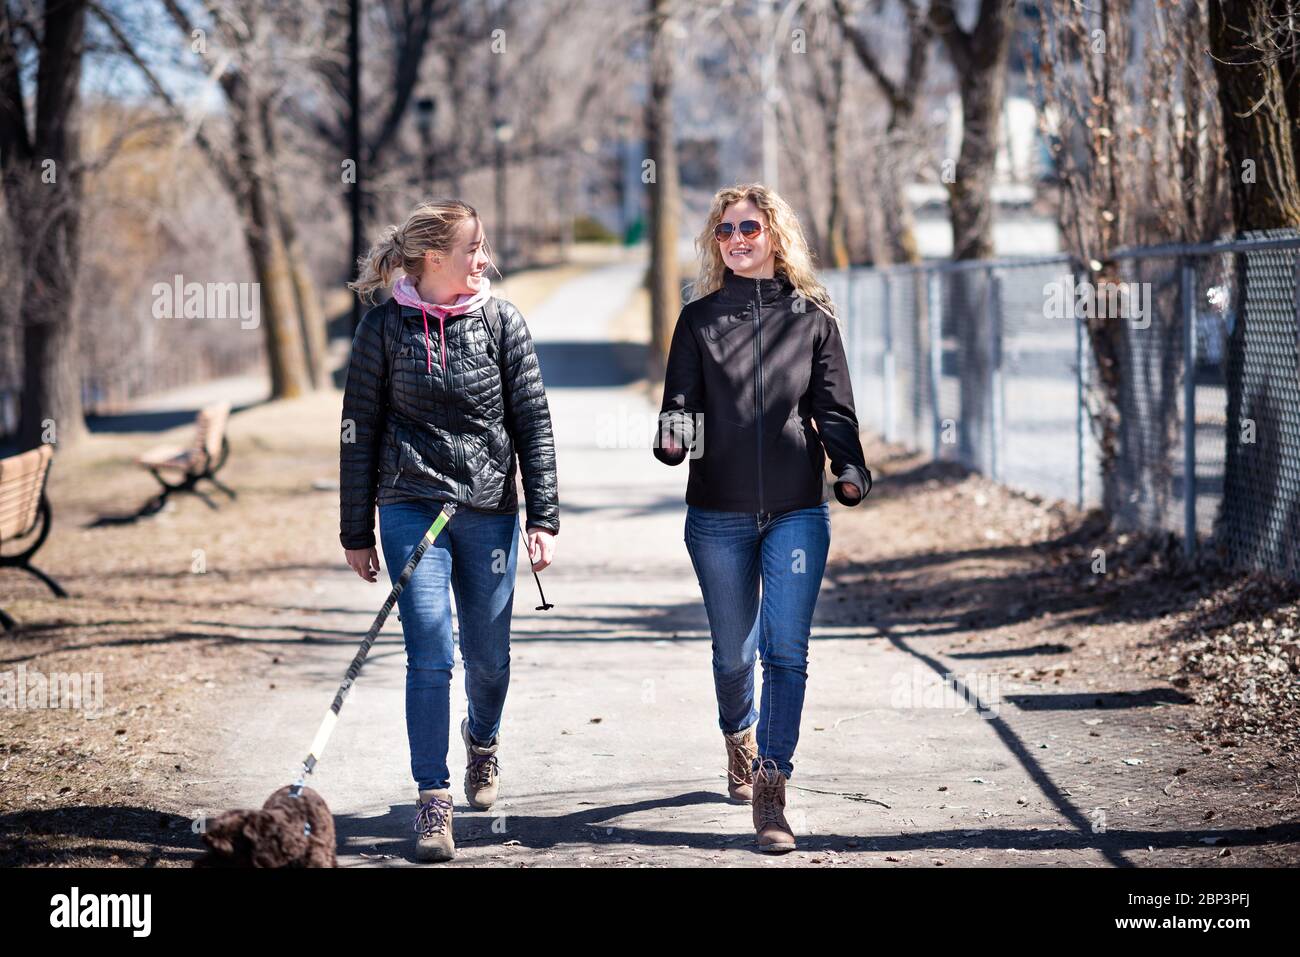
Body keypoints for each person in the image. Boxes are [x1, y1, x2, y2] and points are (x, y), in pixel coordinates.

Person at [653, 183, 871, 853]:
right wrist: (672, 437)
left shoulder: (812, 317)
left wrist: (850, 466)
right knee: (733, 652)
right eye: (725, 231)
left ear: (774, 233)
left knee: (786, 649)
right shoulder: (698, 319)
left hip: (795, 510)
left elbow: (834, 407)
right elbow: (679, 403)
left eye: (749, 226)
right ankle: (738, 735)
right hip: (716, 513)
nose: (737, 238)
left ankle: (772, 786)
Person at [340, 199, 559, 862]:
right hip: (410, 505)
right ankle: (432, 798)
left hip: (489, 510)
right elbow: (358, 433)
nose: (483, 259)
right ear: (434, 256)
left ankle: (482, 740)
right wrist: (357, 529)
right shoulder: (383, 328)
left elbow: (533, 424)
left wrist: (543, 516)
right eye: (474, 247)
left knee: (488, 658)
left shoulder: (501, 321)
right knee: (431, 650)